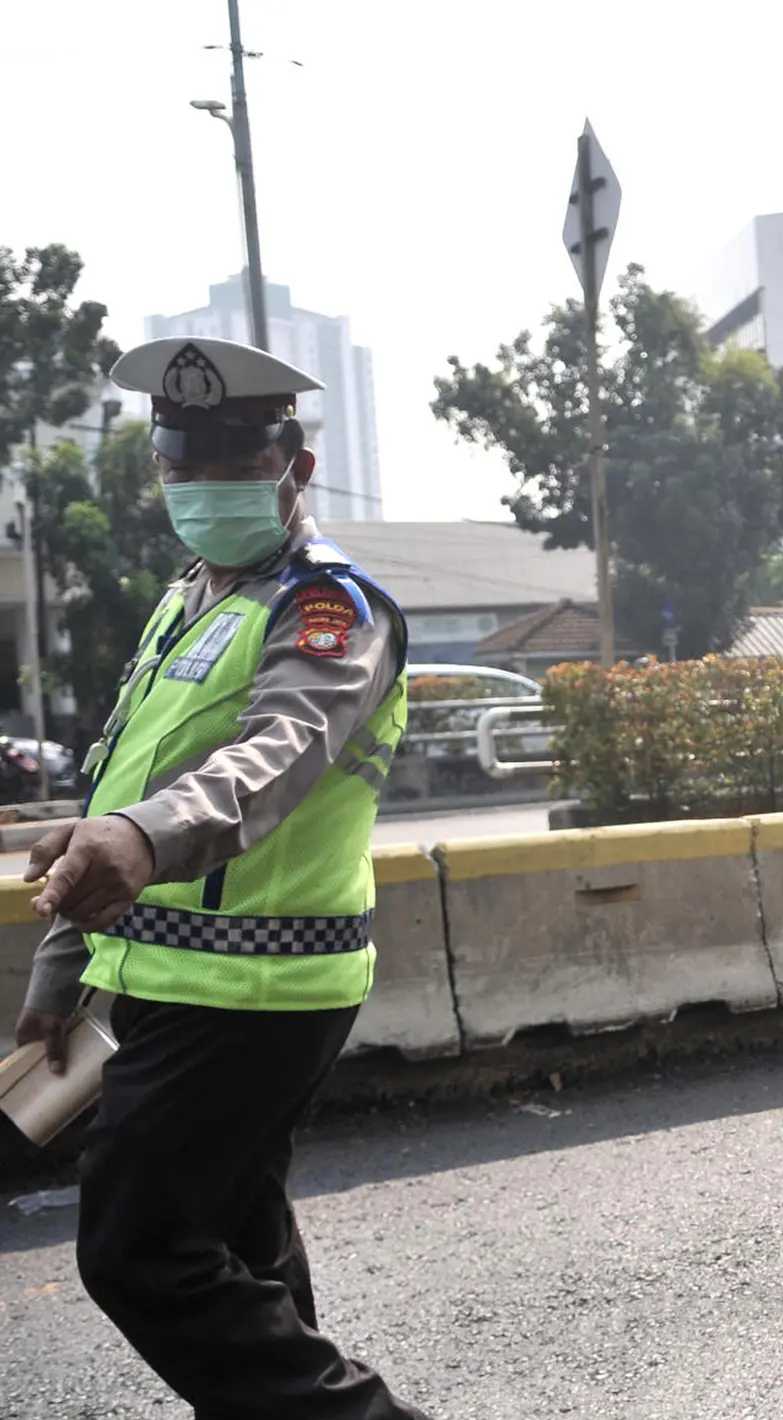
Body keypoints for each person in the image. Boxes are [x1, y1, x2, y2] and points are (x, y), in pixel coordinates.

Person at [10, 336, 429, 1419]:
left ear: (295, 463)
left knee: (137, 1248)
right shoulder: (183, 606)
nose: (202, 487)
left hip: (257, 994)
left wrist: (144, 840)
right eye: (181, 461)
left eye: (235, 461)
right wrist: (63, 974)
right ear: (156, 466)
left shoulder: (330, 607)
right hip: (159, 983)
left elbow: (280, 749)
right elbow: (118, 786)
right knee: (233, 1240)